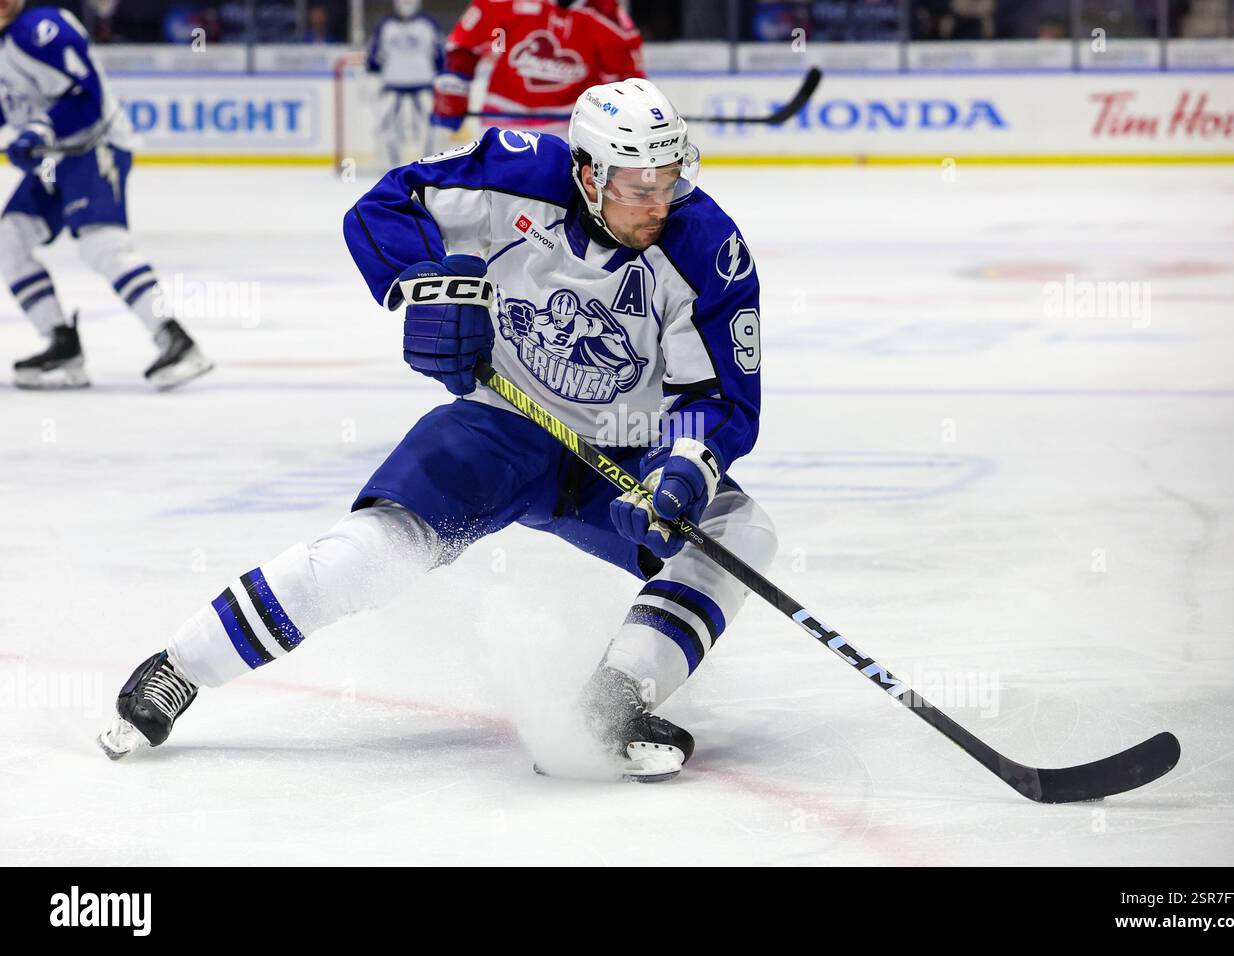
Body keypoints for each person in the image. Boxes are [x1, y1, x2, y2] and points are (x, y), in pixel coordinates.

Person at [98, 78, 776, 781]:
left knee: (740, 533)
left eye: (671, 180)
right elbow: (390, 202)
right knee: (367, 556)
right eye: (640, 188)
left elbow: (719, 396)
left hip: (624, 447)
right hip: (501, 426)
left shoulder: (708, 249)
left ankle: (613, 702)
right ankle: (180, 665)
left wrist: (682, 469)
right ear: (587, 174)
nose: (660, 204)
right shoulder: (514, 174)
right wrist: (429, 288)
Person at [0, 0, 212, 389]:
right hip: (55, 158)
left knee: (102, 244)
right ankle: (62, 344)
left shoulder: (40, 29)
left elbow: (87, 97)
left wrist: (38, 131)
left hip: (94, 146)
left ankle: (175, 339)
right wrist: (30, 135)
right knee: (9, 237)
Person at [433, 0, 643, 139]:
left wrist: (621, 120)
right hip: (503, 122)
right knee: (499, 189)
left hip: (570, 128)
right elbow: (463, 48)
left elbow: (626, 79)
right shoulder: (504, 4)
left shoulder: (607, 13)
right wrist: (452, 94)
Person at [366, 0, 443, 166]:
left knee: (431, 128)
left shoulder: (428, 24)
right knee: (387, 129)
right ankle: (392, 167)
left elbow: (440, 56)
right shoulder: (385, 25)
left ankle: (429, 166)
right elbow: (373, 58)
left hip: (423, 87)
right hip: (392, 87)